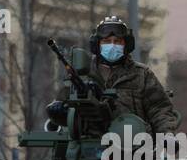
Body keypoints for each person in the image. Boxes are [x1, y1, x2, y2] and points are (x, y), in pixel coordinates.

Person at [49, 16, 179, 137]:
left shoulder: (141, 74)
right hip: (88, 149)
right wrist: (58, 111)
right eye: (106, 41)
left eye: (117, 41)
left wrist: (166, 135)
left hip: (134, 149)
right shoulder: (82, 75)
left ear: (126, 45)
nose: (112, 45)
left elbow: (160, 109)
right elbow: (64, 108)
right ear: (97, 45)